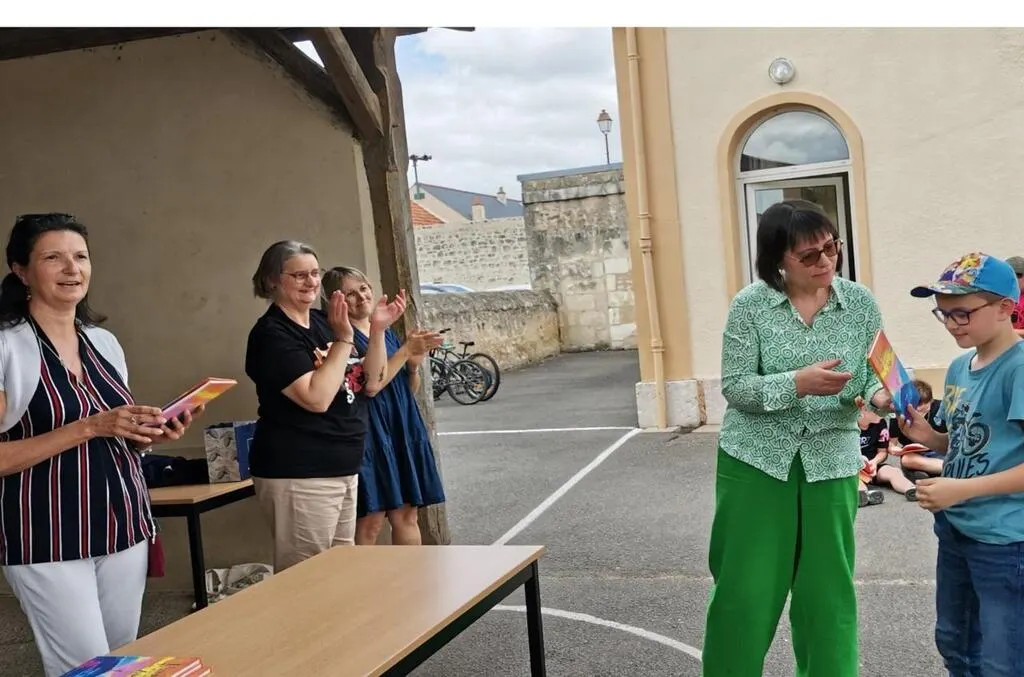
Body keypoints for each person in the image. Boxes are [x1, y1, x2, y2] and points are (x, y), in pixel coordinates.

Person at [0, 213, 201, 677]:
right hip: (45, 533)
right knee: (87, 668)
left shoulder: (104, 343)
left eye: (81, 257)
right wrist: (89, 427)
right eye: (53, 257)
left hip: (121, 525)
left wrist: (150, 434)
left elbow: (116, 434)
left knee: (122, 659)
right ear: (21, 270)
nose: (72, 268)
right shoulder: (8, 347)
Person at [701, 200, 889, 677]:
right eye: (809, 255)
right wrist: (796, 384)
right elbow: (736, 386)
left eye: (832, 248)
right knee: (745, 590)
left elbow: (871, 373)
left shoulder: (860, 302)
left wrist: (881, 396)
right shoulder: (750, 305)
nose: (825, 261)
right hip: (756, 462)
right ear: (778, 259)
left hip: (831, 459)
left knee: (828, 592)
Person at [244, 241, 404, 573]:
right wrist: (344, 339)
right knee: (308, 577)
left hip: (343, 465)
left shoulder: (323, 321)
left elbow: (371, 382)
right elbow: (316, 398)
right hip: (301, 471)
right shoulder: (272, 334)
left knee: (340, 572)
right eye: (299, 275)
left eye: (315, 273)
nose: (311, 282)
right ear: (273, 279)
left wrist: (376, 331)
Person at [899, 252, 1024, 676]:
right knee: (954, 641)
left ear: (1006, 308)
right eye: (943, 314)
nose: (952, 324)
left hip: (1005, 541)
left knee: (1002, 660)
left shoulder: (1020, 369)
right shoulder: (958, 367)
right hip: (956, 530)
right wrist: (929, 439)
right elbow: (970, 441)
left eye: (963, 313)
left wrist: (961, 489)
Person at [321, 267, 446, 546]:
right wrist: (405, 352)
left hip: (400, 424)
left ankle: (410, 583)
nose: (360, 297)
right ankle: (369, 588)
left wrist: (413, 366)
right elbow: (371, 384)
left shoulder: (385, 331)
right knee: (371, 520)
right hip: (370, 430)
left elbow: (405, 389)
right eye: (349, 294)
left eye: (363, 288)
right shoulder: (342, 337)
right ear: (335, 301)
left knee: (407, 515)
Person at [856, 402, 917, 505]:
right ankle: (863, 495)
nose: (883, 414)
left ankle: (911, 489)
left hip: (872, 465)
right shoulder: (849, 427)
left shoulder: (881, 423)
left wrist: (874, 462)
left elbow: (882, 452)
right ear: (864, 410)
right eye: (879, 411)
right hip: (854, 467)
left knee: (893, 471)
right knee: (854, 478)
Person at [888, 379, 946, 481]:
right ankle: (945, 469)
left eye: (923, 407)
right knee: (907, 460)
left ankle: (940, 469)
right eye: (915, 406)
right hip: (915, 455)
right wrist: (894, 449)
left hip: (939, 451)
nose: (918, 410)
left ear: (931, 401)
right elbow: (891, 443)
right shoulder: (899, 415)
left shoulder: (941, 408)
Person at [1006, 255, 1024, 338]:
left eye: (1018, 275)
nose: (1015, 279)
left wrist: (1012, 332)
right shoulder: (998, 296)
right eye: (1010, 275)